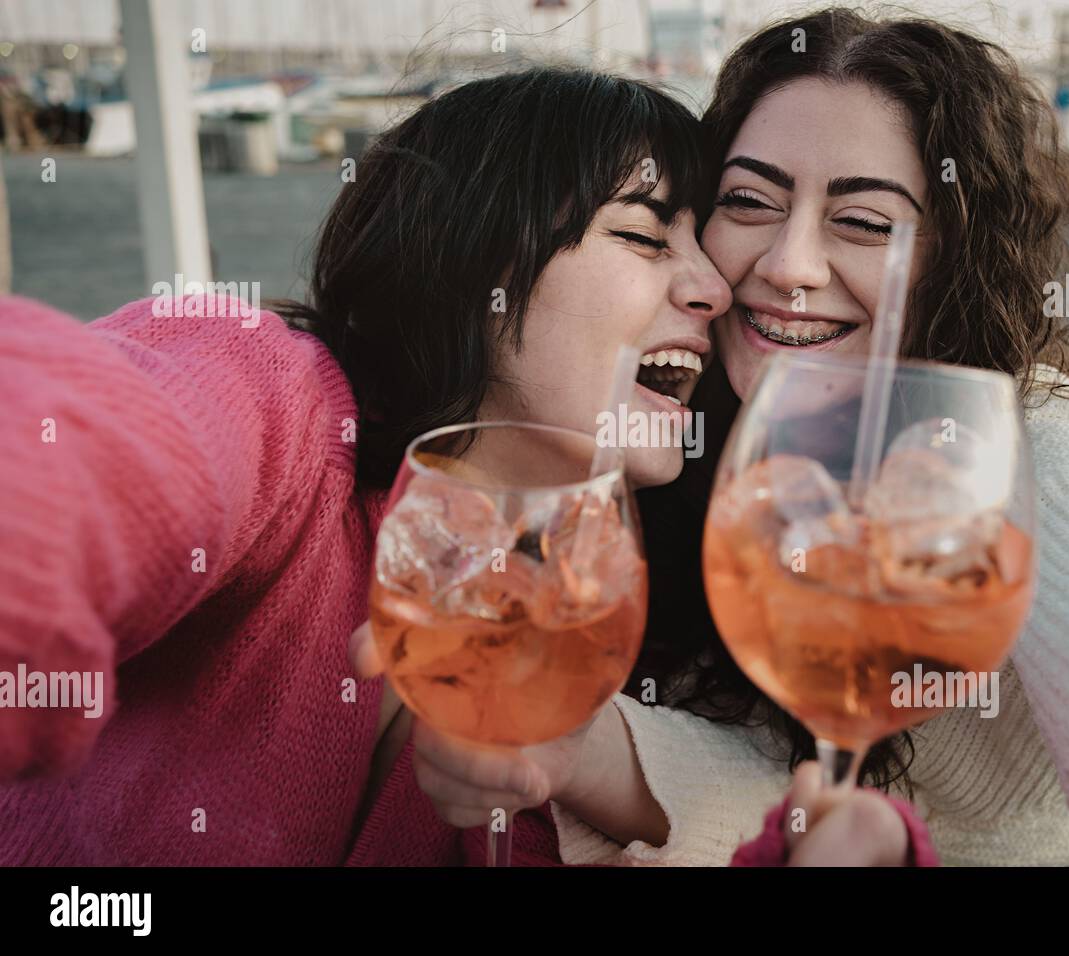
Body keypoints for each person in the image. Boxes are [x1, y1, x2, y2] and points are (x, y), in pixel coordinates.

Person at [0, 66, 931, 866]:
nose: (717, 286)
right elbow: (79, 443)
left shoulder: (616, 615)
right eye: (645, 237)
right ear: (473, 266)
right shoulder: (278, 398)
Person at [629, 8, 1069, 866]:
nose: (789, 265)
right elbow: (773, 770)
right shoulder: (690, 434)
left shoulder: (1035, 449)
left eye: (865, 222)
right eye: (750, 201)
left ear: (954, 258)